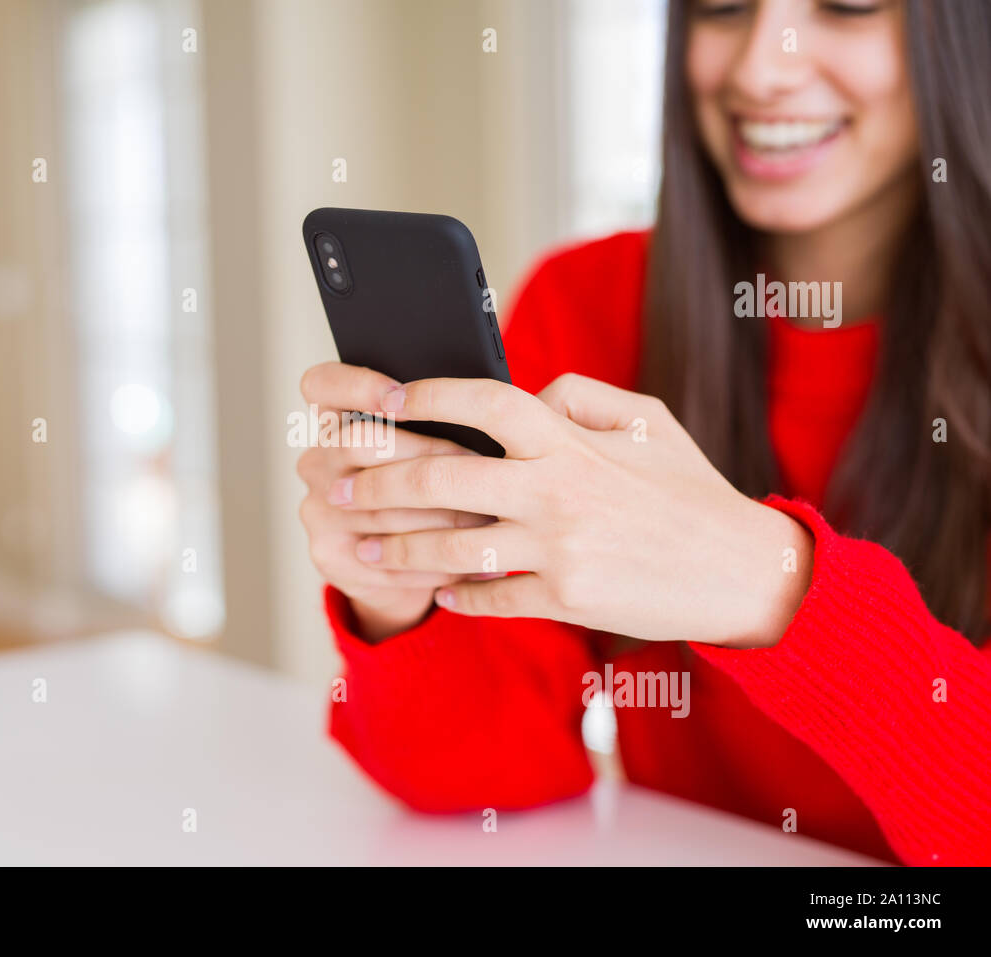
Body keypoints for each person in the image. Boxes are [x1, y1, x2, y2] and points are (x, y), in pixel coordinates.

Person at [295, 0, 991, 865]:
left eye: (846, 6)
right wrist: (397, 589)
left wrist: (768, 585)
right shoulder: (583, 304)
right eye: (722, 8)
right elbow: (490, 778)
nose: (758, 70)